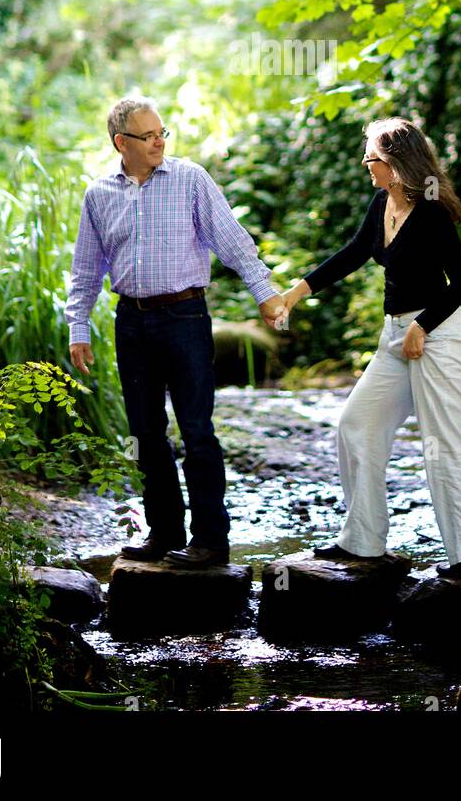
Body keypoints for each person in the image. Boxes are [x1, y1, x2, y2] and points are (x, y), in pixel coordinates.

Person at [279, 116, 461, 579]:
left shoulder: (430, 211)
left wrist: (422, 326)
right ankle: (362, 541)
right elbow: (352, 253)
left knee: (441, 443)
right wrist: (293, 294)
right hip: (395, 338)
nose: (367, 164)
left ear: (397, 163)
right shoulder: (382, 204)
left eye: (373, 158)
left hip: (437, 338)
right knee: (356, 425)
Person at [66, 95, 286, 568]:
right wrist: (77, 326)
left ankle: (210, 540)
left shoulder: (189, 179)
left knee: (197, 430)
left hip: (186, 318)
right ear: (121, 142)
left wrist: (264, 293)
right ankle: (164, 532)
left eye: (162, 132)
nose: (159, 141)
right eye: (148, 136)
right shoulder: (99, 195)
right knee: (145, 434)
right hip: (132, 322)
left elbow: (232, 240)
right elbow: (85, 268)